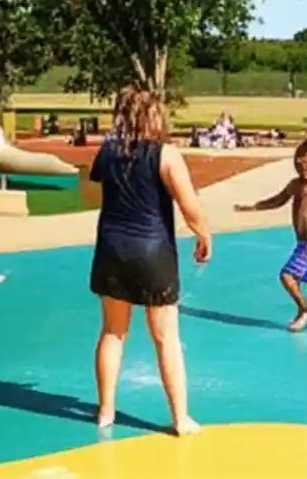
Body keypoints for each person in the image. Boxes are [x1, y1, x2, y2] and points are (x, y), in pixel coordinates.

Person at [88, 88, 212, 436]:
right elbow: (189, 207)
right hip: (152, 252)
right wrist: (204, 235)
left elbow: (99, 188)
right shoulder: (166, 155)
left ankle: (105, 411)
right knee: (165, 338)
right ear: (154, 116)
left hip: (112, 248)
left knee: (113, 331)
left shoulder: (107, 152)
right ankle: (180, 418)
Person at [235, 139, 307, 333]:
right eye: (300, 163)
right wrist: (255, 206)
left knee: (288, 276)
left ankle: (304, 310)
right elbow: (278, 200)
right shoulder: (295, 186)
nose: (304, 168)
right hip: (304, 243)